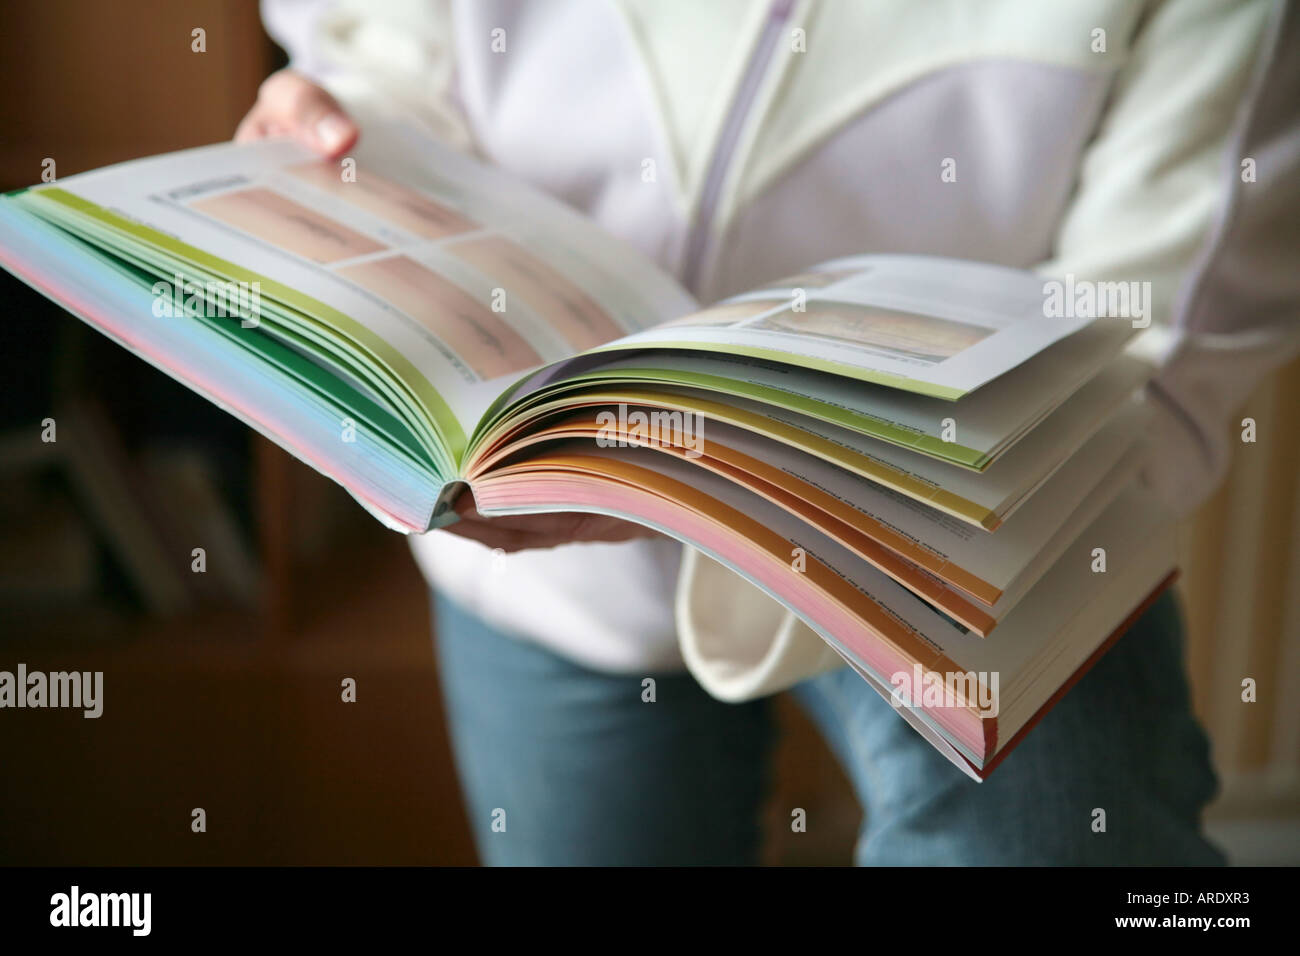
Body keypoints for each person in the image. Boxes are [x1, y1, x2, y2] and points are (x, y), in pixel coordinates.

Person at [239, 0, 1300, 864]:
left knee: (1057, 833)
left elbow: (1158, 355)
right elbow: (387, 54)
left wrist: (743, 486)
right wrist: (347, 143)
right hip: (544, 560)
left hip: (957, 543)